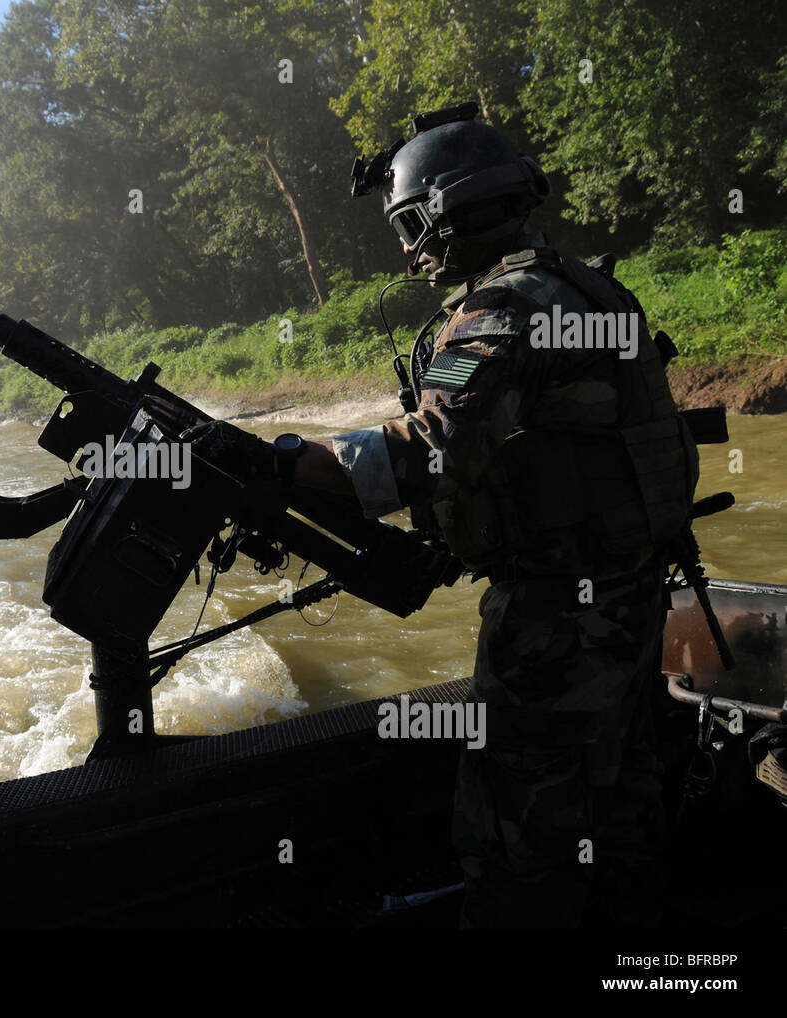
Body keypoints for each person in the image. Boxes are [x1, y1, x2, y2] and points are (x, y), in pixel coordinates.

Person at [288, 103, 699, 928]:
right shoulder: (590, 286)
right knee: (622, 808)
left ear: (449, 208)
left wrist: (282, 461)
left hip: (555, 626)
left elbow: (431, 447)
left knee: (516, 834)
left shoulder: (508, 305)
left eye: (411, 224)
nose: (408, 248)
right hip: (631, 601)